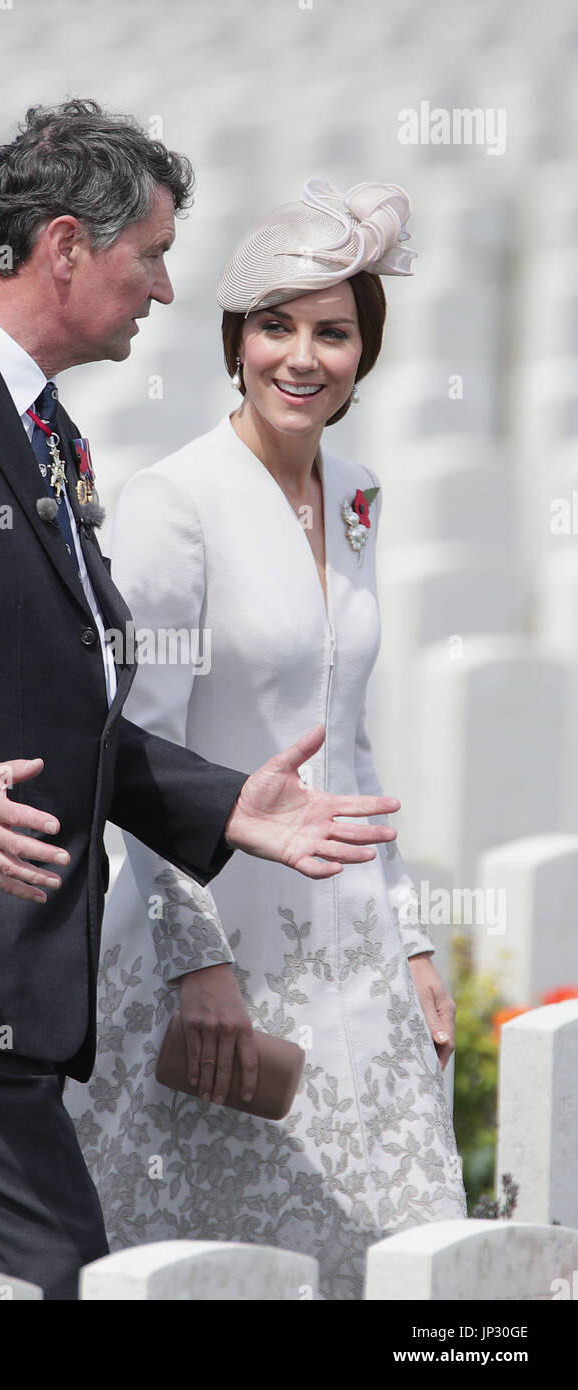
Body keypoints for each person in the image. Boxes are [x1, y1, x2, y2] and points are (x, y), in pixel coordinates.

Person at [0, 107, 402, 1301]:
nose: (166, 289)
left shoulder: (35, 424)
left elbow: (71, 709)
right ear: (65, 245)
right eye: (149, 255)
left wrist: (225, 811)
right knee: (57, 1279)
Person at [64, 180, 468, 1299]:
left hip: (352, 954)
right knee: (216, 1264)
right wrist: (198, 966)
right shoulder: (173, 503)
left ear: (364, 351)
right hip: (212, 955)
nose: (303, 357)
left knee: (397, 1253)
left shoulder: (358, 492)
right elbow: (131, 756)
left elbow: (354, 738)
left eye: (332, 331)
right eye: (275, 328)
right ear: (235, 341)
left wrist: (416, 932)